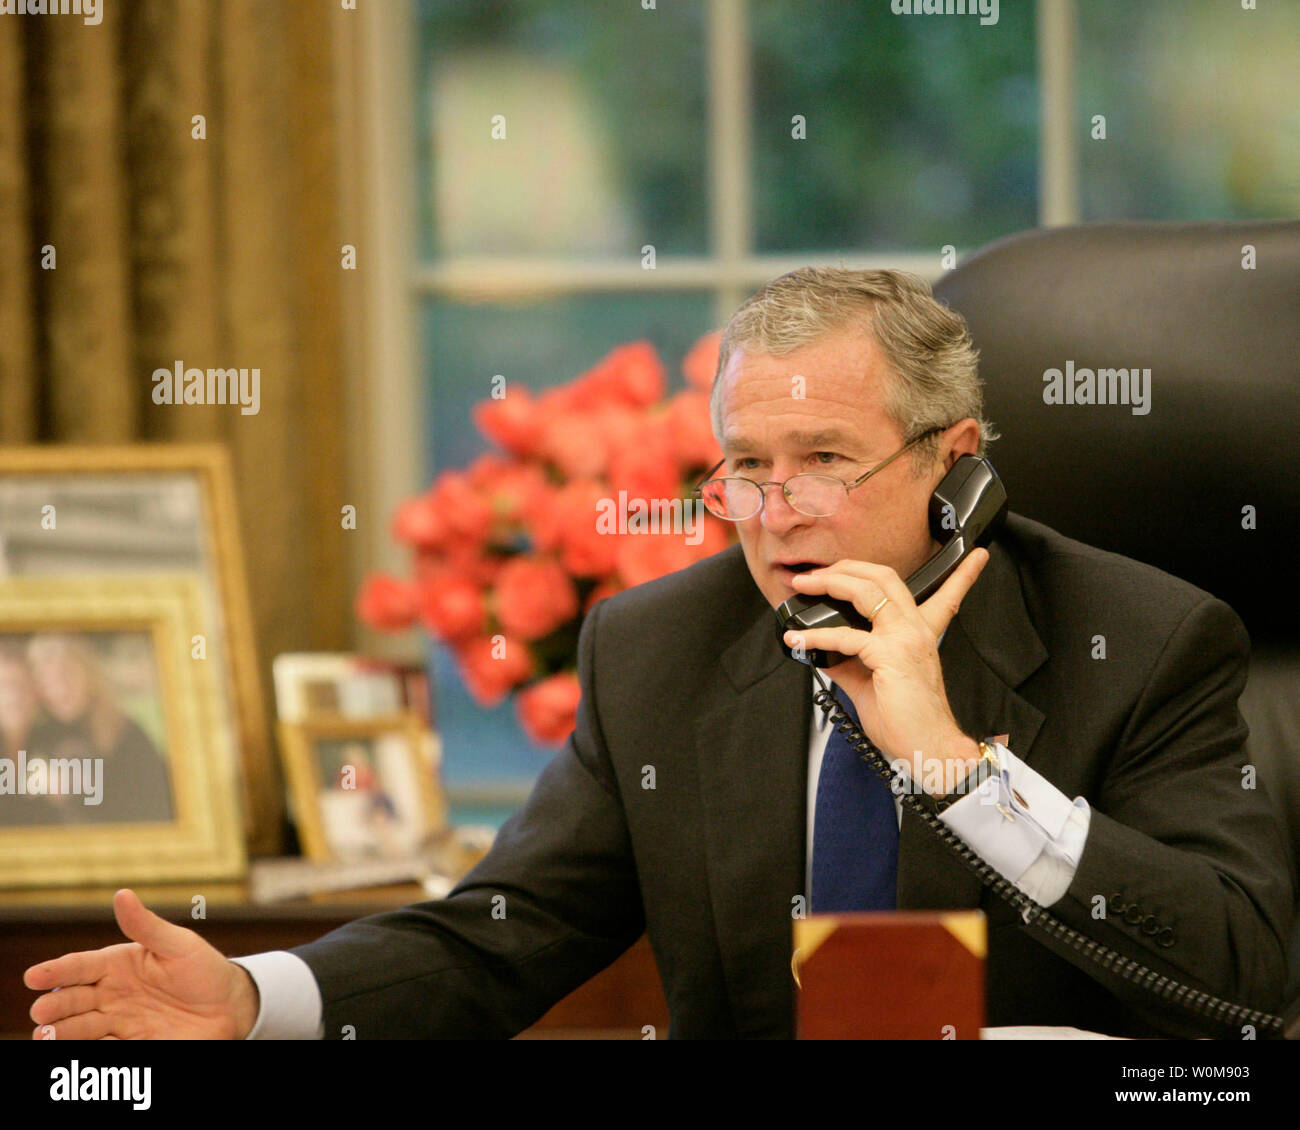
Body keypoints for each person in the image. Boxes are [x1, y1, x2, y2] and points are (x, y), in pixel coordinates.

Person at [23, 268, 1293, 1040]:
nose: (779, 509)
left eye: (827, 464)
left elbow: (1239, 974)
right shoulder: (661, 648)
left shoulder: (1139, 640)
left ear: (955, 465)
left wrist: (961, 770)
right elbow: (504, 931)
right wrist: (259, 999)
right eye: (748, 466)